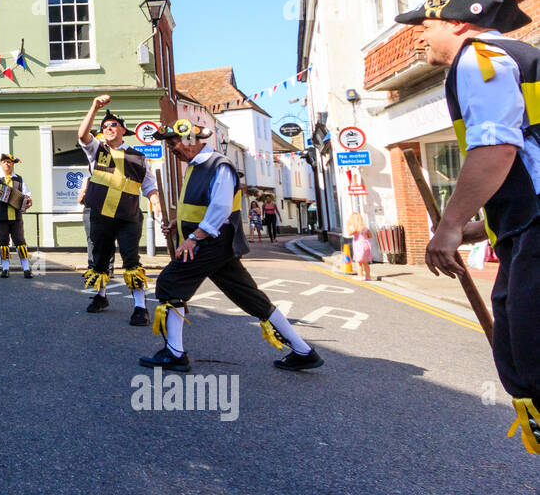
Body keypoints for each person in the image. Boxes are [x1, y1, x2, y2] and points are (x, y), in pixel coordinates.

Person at [390, 0, 540, 495]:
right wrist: (481, 226)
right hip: (526, 229)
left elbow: (497, 149)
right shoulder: (515, 60)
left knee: (531, 360)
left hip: (537, 235)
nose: (417, 36)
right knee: (524, 357)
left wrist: (450, 224)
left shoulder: (481, 60)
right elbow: (526, 159)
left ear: (459, 23)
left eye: (424, 24)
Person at [140, 119, 323, 373]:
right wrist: (176, 223)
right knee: (249, 296)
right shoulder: (195, 166)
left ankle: (174, 353)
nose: (171, 149)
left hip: (210, 243)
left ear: (191, 140)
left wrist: (194, 237)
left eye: (173, 143)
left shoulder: (219, 165)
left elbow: (221, 208)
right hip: (213, 244)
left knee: (170, 283)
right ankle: (304, 351)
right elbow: (199, 207)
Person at [77, 96, 161, 326]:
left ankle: (140, 307)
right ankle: (101, 297)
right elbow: (82, 135)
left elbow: (150, 186)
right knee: (100, 260)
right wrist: (94, 106)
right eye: (104, 126)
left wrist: (157, 203)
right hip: (101, 215)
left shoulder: (138, 157)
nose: (108, 128)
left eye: (113, 124)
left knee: (131, 260)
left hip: (128, 217)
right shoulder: (97, 150)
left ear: (123, 129)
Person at [0, 153, 33, 279]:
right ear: (0, 164)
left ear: (13, 164)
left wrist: (28, 201)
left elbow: (27, 195)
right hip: (0, 216)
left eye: (9, 162)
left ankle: (26, 269)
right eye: (4, 161)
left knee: (20, 242)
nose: (7, 164)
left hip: (16, 216)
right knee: (3, 243)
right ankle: (5, 269)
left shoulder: (19, 179)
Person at [345, 211, 373, 281]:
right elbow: (370, 236)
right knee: (365, 262)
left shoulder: (355, 230)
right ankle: (368, 277)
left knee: (359, 262)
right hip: (366, 246)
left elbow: (349, 233)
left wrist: (348, 225)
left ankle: (360, 276)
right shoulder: (365, 228)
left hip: (359, 246)